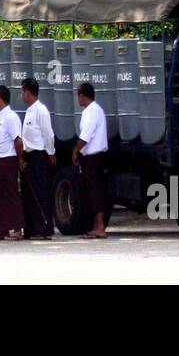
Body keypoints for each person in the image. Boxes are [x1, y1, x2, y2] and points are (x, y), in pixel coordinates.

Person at [19, 78, 56, 239]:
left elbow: (48, 134)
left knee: (41, 192)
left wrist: (51, 152)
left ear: (27, 92)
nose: (21, 95)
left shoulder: (41, 110)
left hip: (39, 155)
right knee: (28, 194)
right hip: (28, 156)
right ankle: (31, 228)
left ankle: (44, 228)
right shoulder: (29, 111)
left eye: (22, 92)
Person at [0, 86, 24, 240]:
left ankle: (17, 228)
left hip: (7, 159)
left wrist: (19, 158)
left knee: (10, 194)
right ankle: (1, 228)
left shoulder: (10, 117)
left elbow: (18, 141)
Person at [73, 82, 109, 239]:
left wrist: (75, 150)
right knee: (93, 190)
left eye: (78, 96)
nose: (77, 99)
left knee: (94, 191)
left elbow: (85, 136)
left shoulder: (92, 111)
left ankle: (100, 227)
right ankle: (96, 226)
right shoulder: (93, 110)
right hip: (93, 156)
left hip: (94, 156)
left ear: (82, 95)